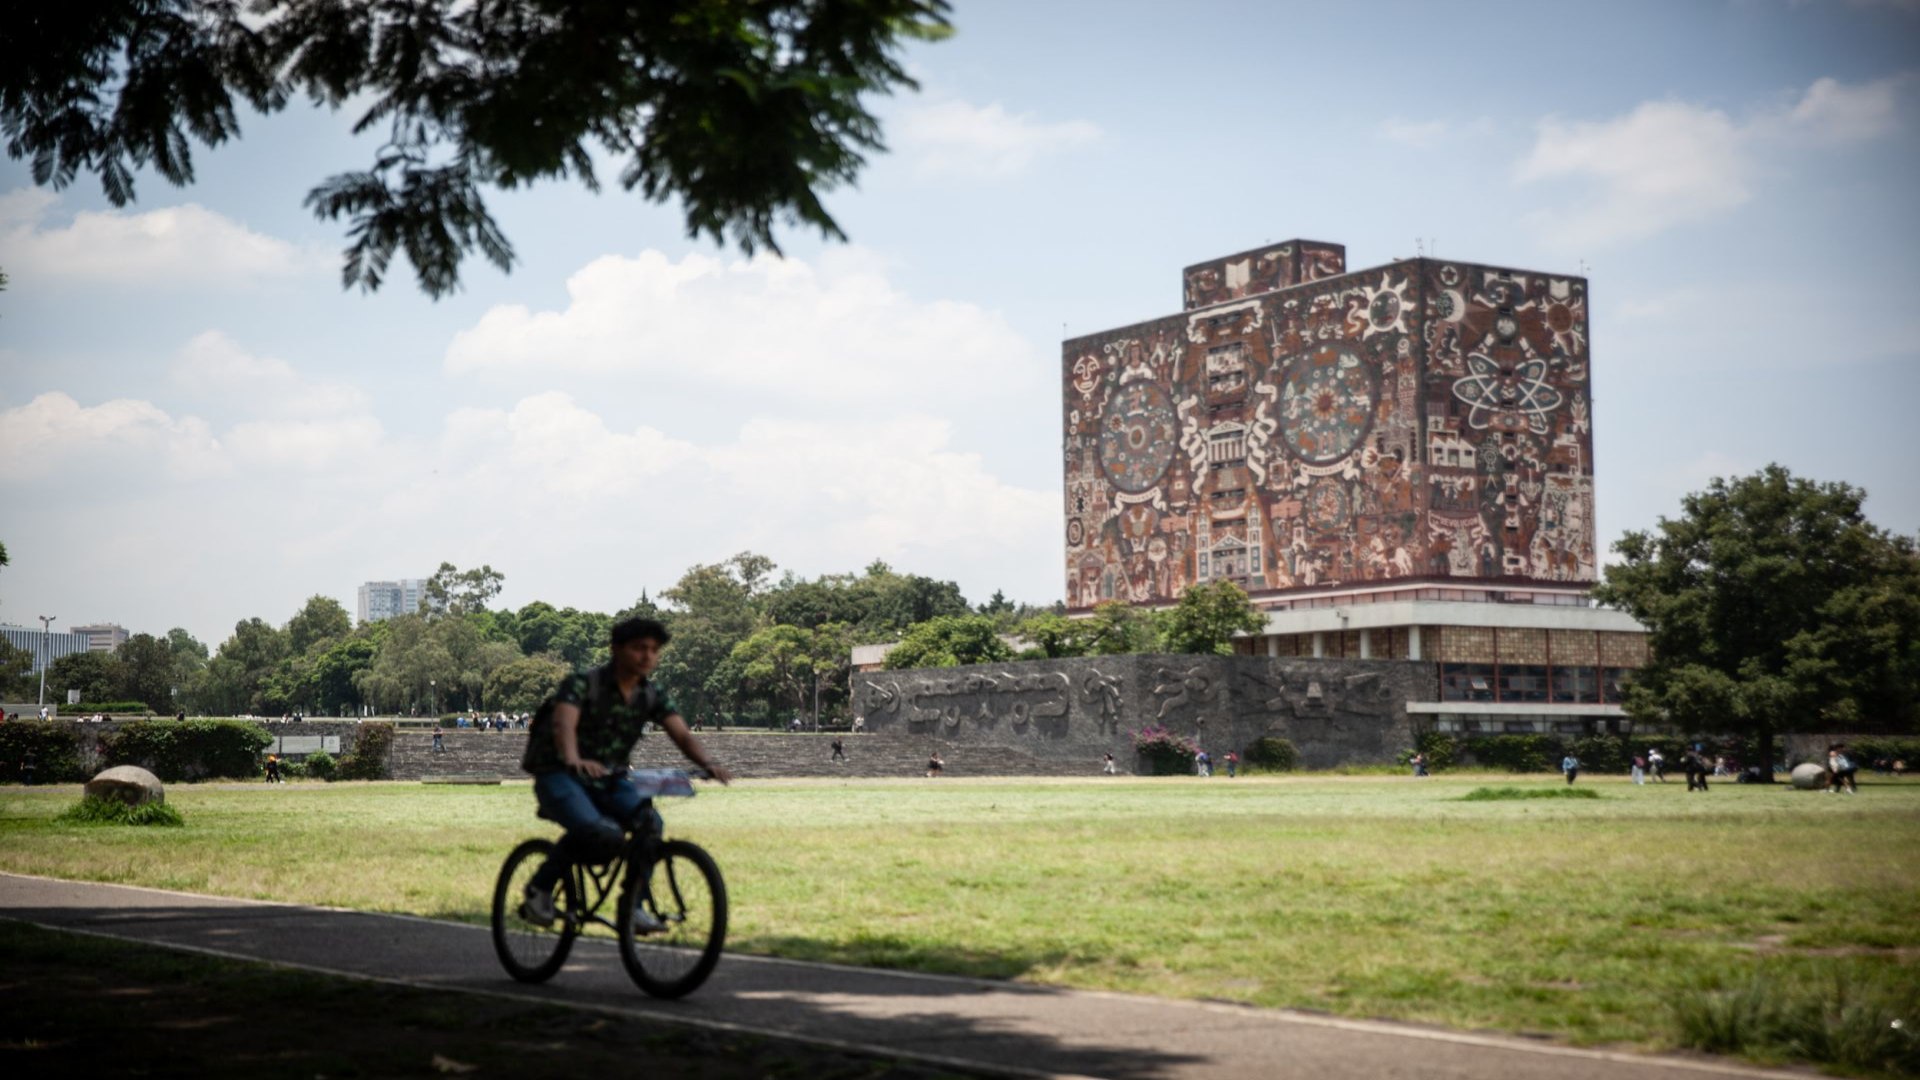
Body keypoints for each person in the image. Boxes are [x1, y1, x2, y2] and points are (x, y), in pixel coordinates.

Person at [518, 617, 732, 926]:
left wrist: (708, 764)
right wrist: (574, 758)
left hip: (606, 777)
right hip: (559, 772)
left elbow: (682, 735)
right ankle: (540, 888)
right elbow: (565, 723)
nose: (647, 656)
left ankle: (633, 905)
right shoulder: (583, 683)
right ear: (616, 649)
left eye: (654, 650)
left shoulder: (651, 694)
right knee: (599, 832)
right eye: (638, 648)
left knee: (650, 823)